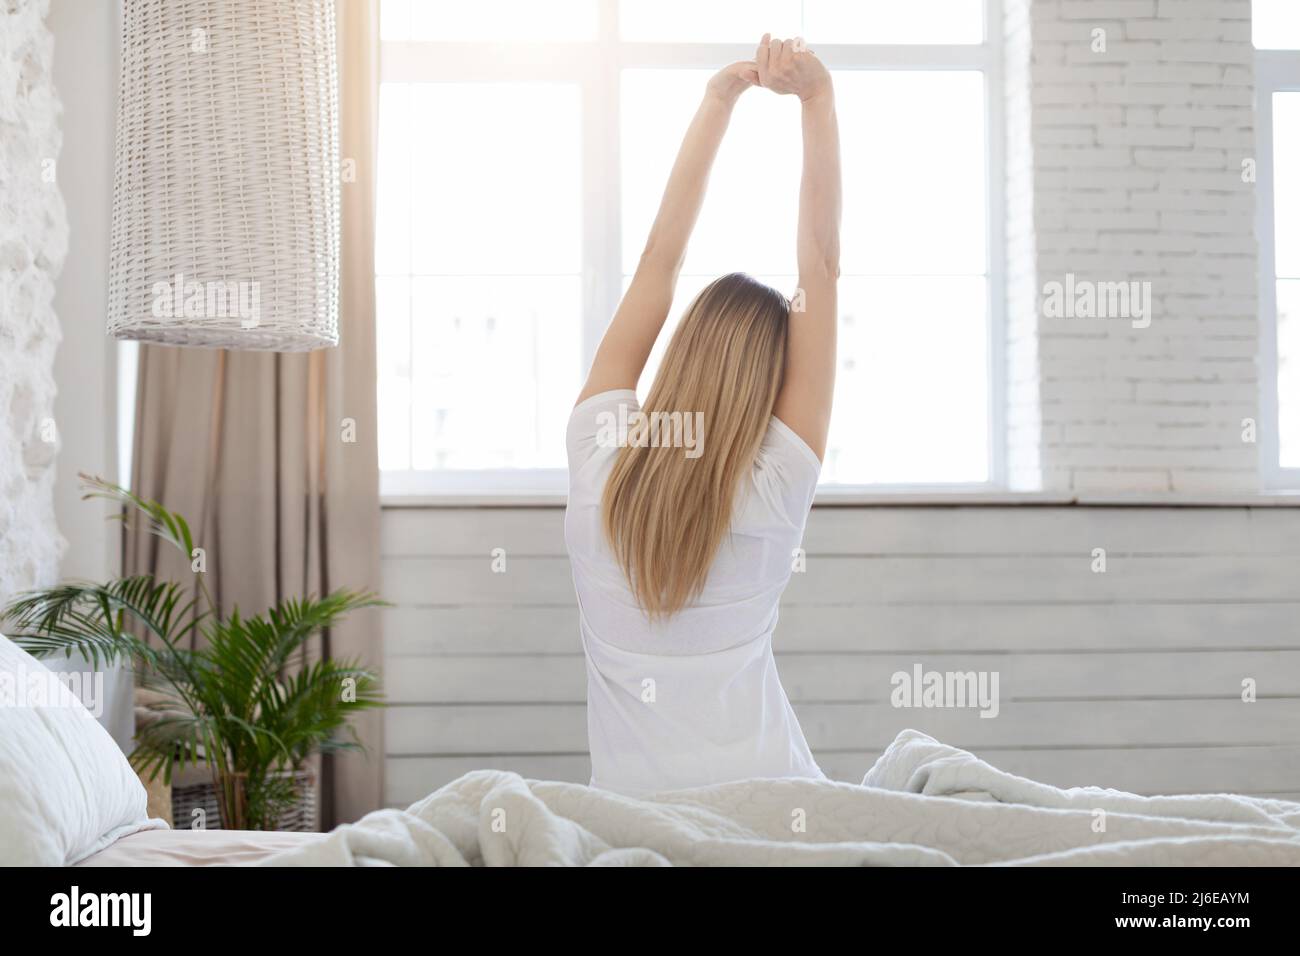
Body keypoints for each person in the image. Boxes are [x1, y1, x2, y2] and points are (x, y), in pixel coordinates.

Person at [565, 35, 841, 795]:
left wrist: (718, 102)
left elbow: (660, 258)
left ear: (681, 350)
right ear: (771, 387)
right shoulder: (776, 488)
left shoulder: (598, 462)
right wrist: (817, 100)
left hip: (632, 822)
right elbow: (822, 265)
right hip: (782, 820)